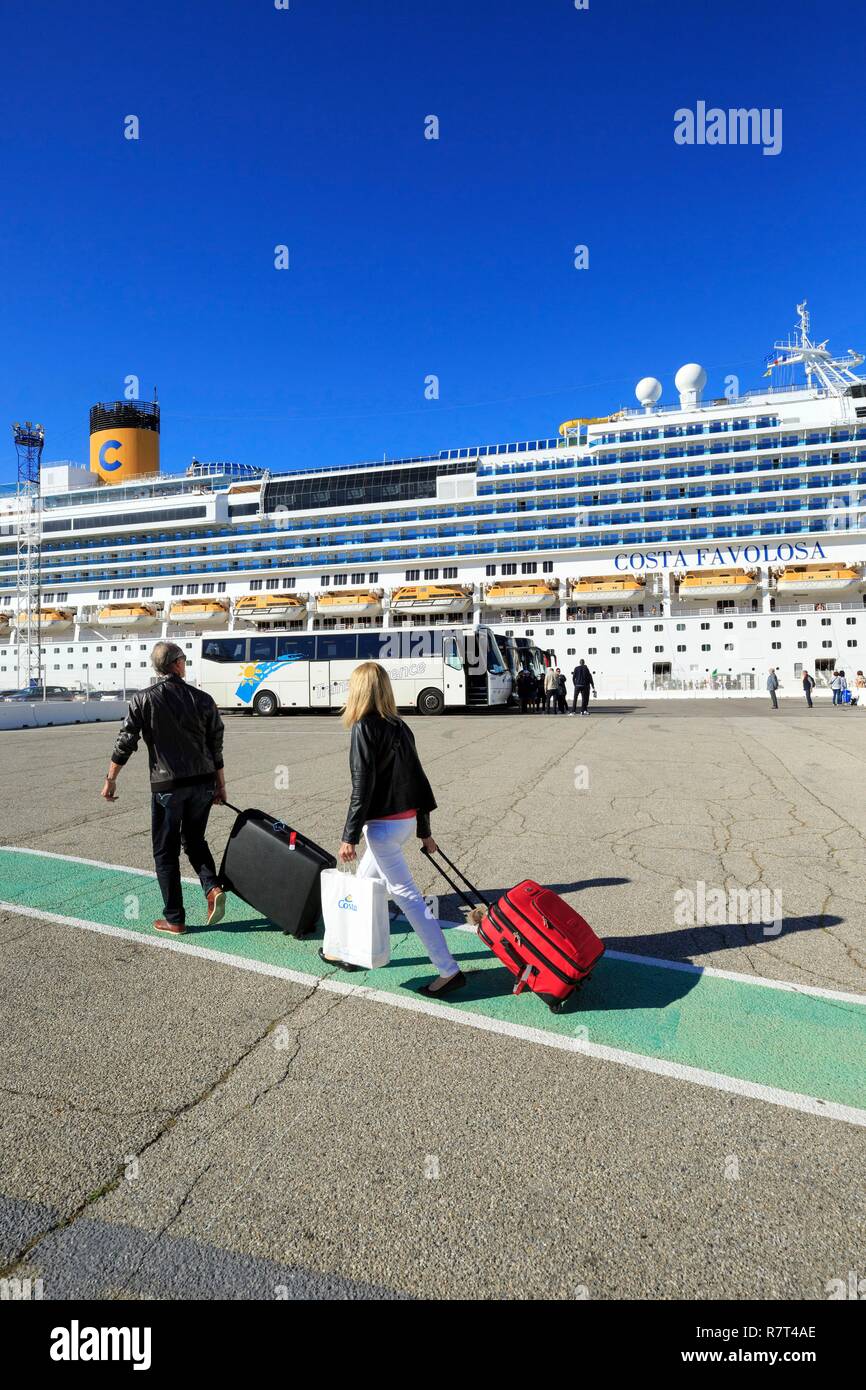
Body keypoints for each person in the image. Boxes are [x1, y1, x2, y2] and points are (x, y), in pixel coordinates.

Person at [332, 662, 466, 997]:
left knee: (408, 898)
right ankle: (352, 951)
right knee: (364, 885)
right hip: (404, 822)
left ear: (359, 690)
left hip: (383, 829)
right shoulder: (400, 725)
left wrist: (348, 836)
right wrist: (423, 829)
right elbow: (418, 779)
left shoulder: (364, 727)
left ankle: (448, 970)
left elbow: (362, 787)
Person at [101, 641, 227, 934]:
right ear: (176, 664)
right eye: (183, 659)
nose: (185, 664)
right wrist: (220, 786)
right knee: (195, 840)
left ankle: (175, 918)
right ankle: (212, 888)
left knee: (165, 851)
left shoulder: (143, 699)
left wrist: (111, 778)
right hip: (203, 783)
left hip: (168, 785)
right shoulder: (204, 699)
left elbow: (126, 742)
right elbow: (216, 746)